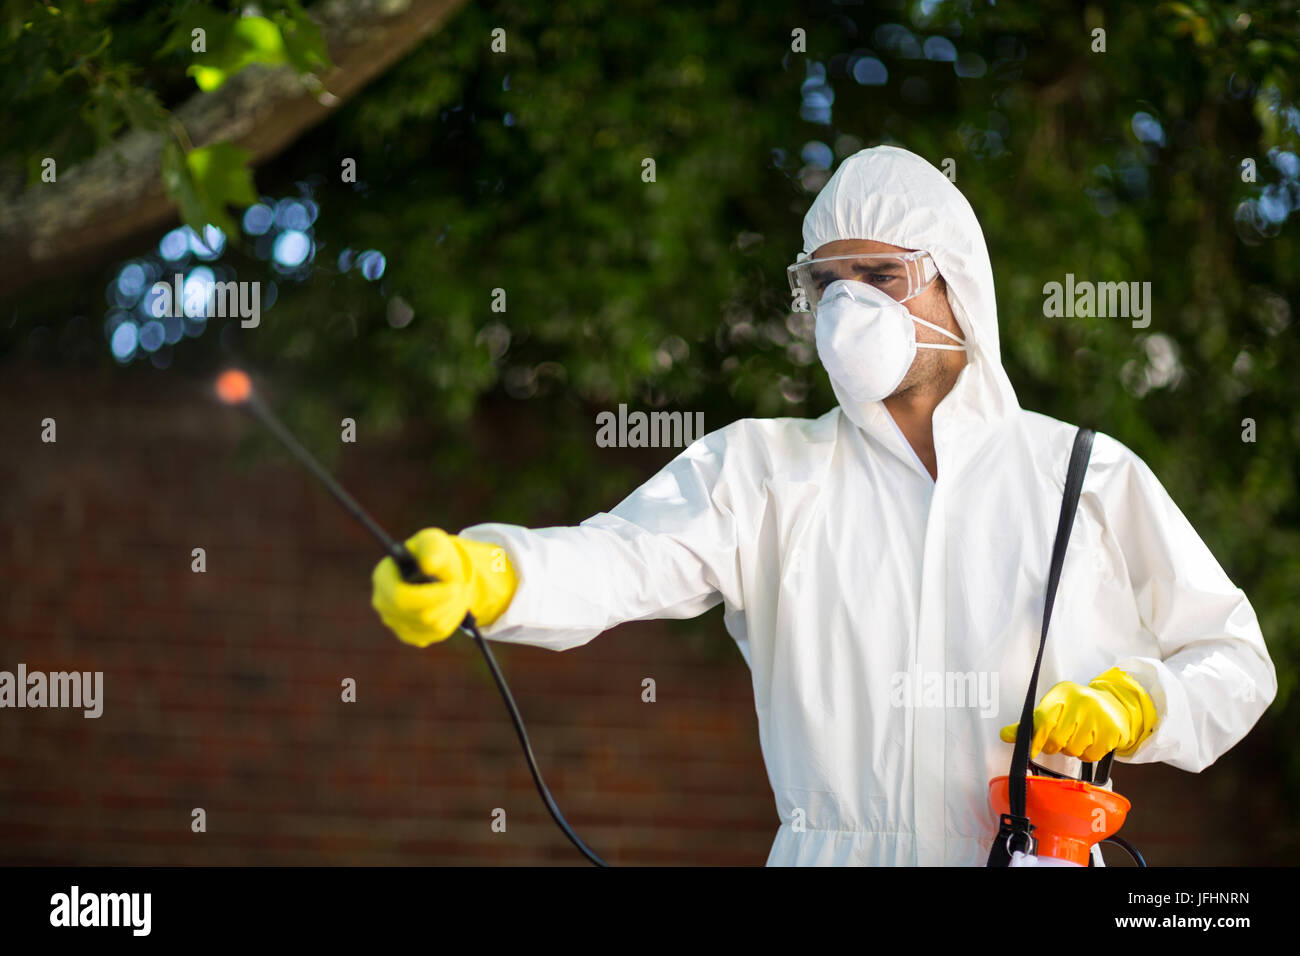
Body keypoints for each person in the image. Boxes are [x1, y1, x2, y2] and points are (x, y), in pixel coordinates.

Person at [370, 145, 1277, 866]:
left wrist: (1140, 703)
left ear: (954, 283)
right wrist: (492, 573)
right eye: (826, 284)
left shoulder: (1083, 475)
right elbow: (619, 559)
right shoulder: (767, 470)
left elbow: (1237, 661)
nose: (848, 308)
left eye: (880, 277)